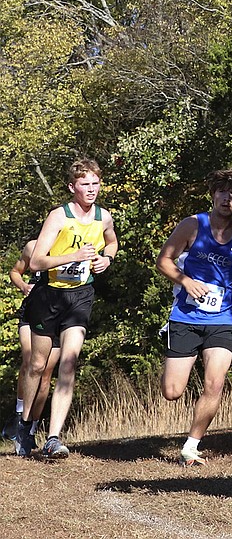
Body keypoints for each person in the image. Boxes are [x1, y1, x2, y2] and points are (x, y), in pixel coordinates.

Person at [156, 168, 232, 466]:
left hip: (223, 317)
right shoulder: (192, 225)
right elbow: (163, 260)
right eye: (223, 192)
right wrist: (185, 281)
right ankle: (171, 342)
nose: (228, 198)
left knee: (215, 384)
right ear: (213, 195)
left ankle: (191, 445)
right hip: (186, 315)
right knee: (172, 391)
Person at [16, 158, 118, 459]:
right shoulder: (59, 217)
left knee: (69, 362)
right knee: (36, 365)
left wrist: (106, 259)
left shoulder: (104, 218)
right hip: (48, 296)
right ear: (73, 187)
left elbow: (112, 243)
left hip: (80, 296)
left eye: (95, 184)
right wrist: (72, 255)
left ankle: (54, 437)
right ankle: (25, 425)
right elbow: (36, 262)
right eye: (85, 184)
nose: (91, 189)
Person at [2, 239, 61, 444]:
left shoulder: (74, 249)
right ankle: (19, 414)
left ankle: (31, 429)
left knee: (46, 374)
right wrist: (24, 286)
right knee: (30, 359)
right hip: (32, 311)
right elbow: (15, 271)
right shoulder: (33, 246)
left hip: (58, 314)